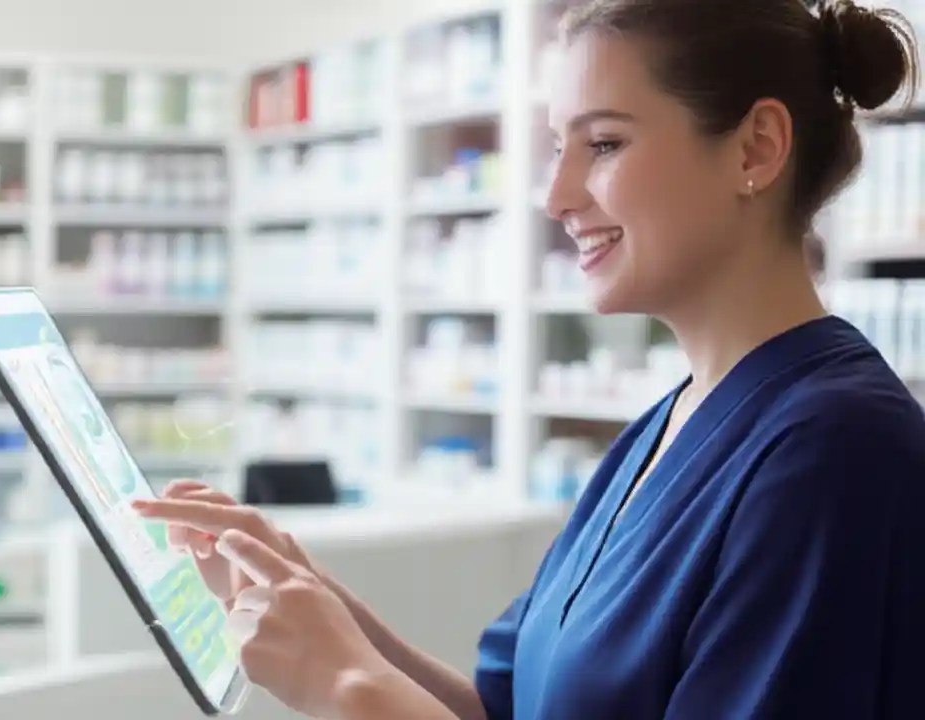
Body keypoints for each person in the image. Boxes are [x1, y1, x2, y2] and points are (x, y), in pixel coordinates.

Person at [133, 0, 925, 717]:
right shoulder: (672, 422)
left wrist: (350, 689)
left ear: (756, 147)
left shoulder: (838, 452)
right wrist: (308, 592)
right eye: (558, 148)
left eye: (604, 144)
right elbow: (504, 709)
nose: (556, 196)